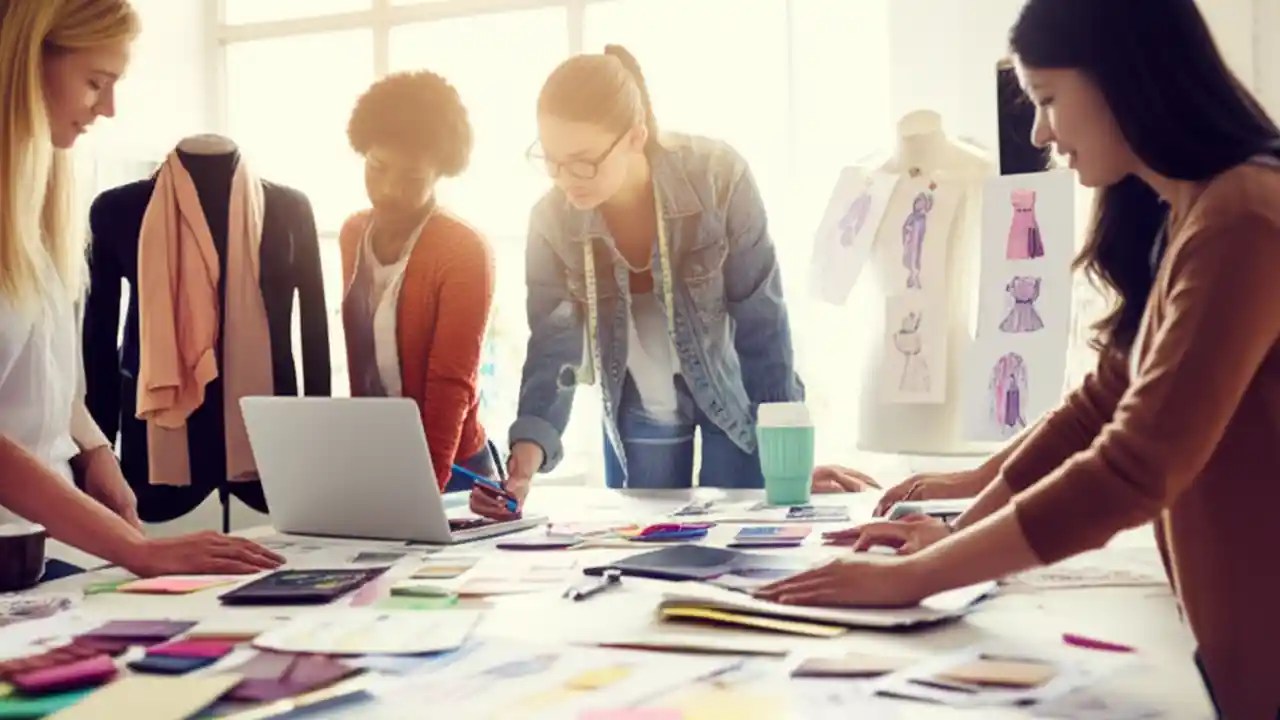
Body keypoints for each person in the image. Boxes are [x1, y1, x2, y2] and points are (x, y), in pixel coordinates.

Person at [758, 1, 1280, 716]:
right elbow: (1099, 407)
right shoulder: (1189, 214)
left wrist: (918, 578)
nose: (1040, 132)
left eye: (1047, 99)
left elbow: (1134, 468)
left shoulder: (1243, 220)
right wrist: (955, 530)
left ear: (1124, 78)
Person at [0, 0, 283, 579]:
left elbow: (45, 370)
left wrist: (94, 449)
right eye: (94, 83)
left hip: (46, 547)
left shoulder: (37, 203)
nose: (108, 108)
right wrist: (137, 550)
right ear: (25, 63)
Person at [489, 45, 803, 514]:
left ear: (635, 136)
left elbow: (762, 315)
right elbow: (554, 345)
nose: (565, 179)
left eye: (582, 161)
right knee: (642, 538)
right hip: (639, 401)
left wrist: (790, 455)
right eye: (551, 160)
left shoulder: (718, 177)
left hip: (734, 395)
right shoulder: (551, 221)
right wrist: (525, 461)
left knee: (741, 536)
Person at [338, 71, 507, 515]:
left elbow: (452, 382)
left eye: (412, 177)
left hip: (453, 467)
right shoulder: (354, 234)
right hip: (383, 460)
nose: (389, 190)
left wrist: (421, 495)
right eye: (377, 167)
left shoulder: (463, 249)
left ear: (439, 173)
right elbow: (362, 364)